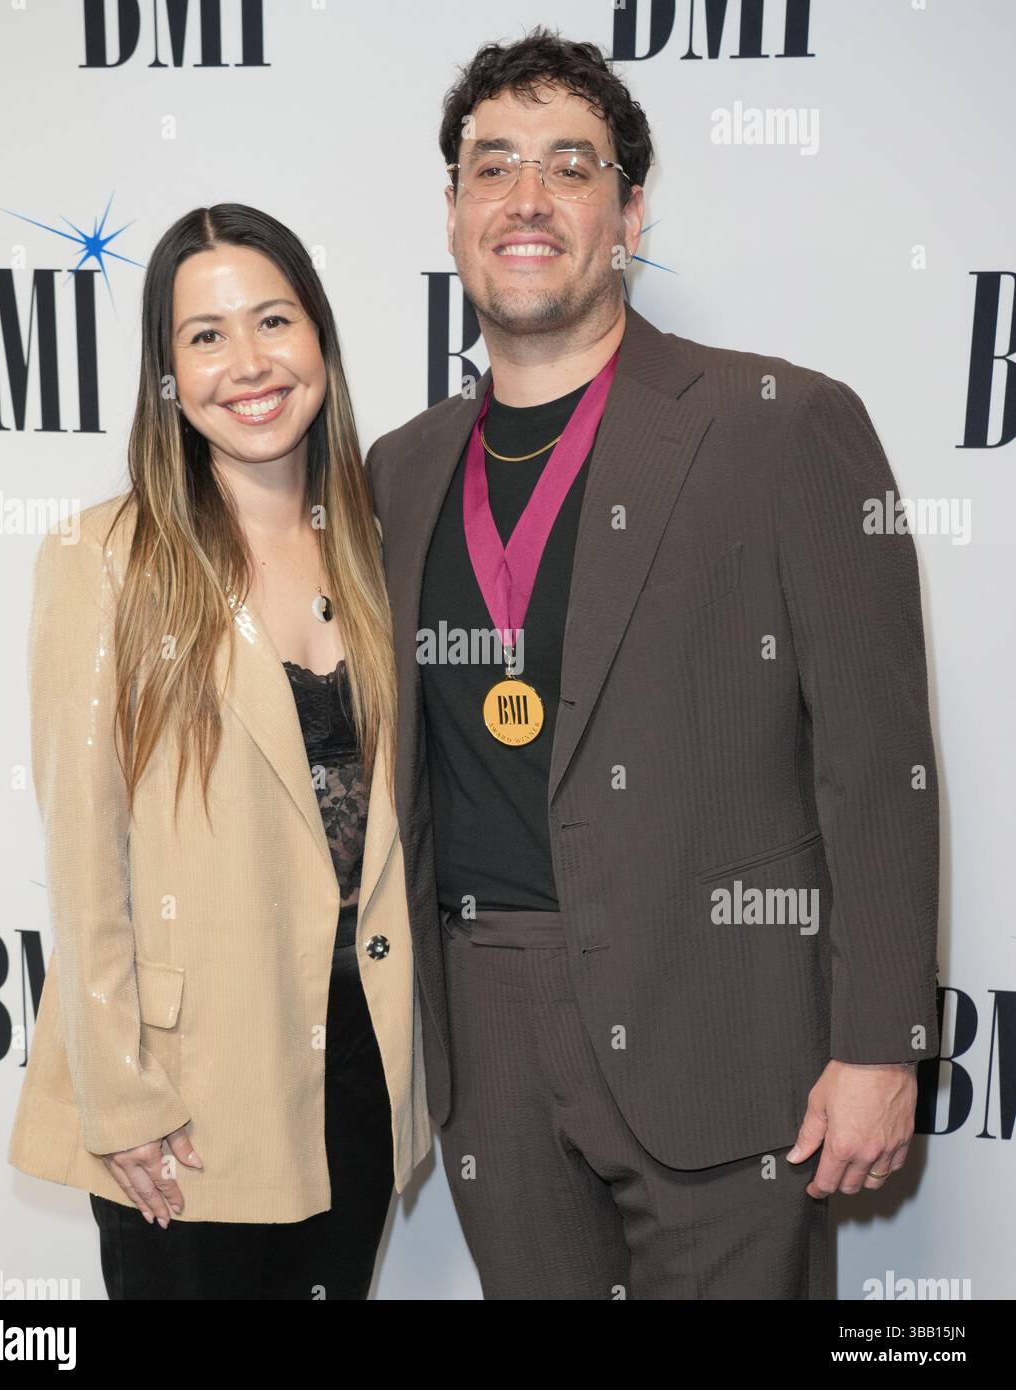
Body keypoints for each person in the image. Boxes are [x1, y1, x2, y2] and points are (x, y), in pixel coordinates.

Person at [365, 29, 940, 1300]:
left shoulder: (782, 425)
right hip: (487, 1026)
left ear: (627, 212)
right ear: (452, 214)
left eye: (568, 167)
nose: (525, 197)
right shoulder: (396, 472)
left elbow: (876, 758)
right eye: (491, 166)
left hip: (722, 1025)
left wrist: (881, 1045)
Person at [7, 204, 430, 1300]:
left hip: (357, 1068)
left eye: (272, 320)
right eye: (204, 336)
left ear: (320, 341)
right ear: (167, 376)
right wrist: (120, 1094)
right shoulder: (105, 558)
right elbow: (86, 847)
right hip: (186, 1090)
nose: (246, 363)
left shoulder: (381, 550)